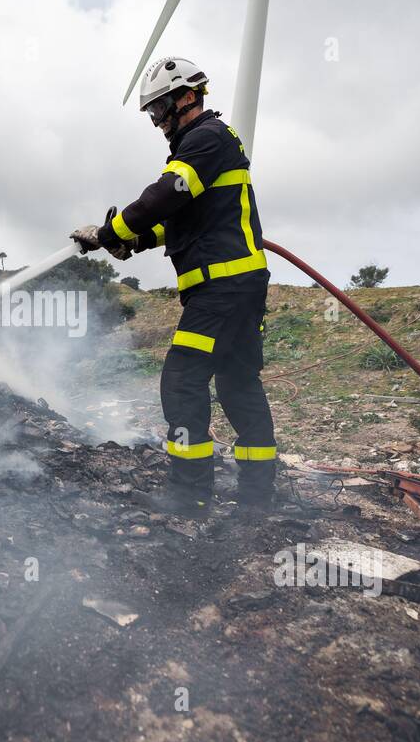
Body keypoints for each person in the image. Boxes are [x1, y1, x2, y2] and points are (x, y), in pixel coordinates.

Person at [71, 56, 275, 517]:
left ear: (185, 97)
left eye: (157, 109)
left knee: (183, 379)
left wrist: (111, 233)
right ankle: (257, 500)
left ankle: (189, 497)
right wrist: (135, 241)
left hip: (221, 290)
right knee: (238, 382)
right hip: (238, 287)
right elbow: (184, 224)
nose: (155, 120)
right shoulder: (207, 148)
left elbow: (165, 196)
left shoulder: (206, 139)